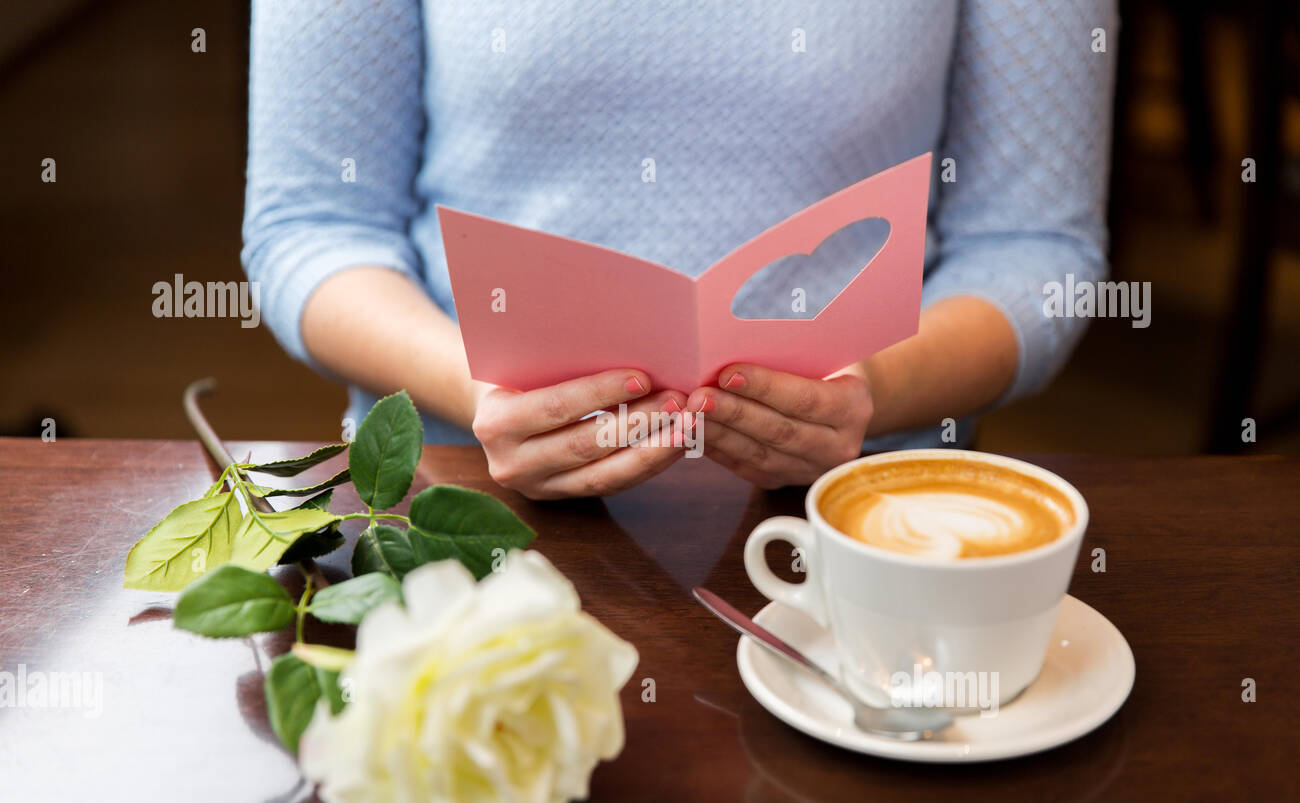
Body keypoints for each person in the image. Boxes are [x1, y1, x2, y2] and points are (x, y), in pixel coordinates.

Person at [243, 1, 1115, 499]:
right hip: (460, 496)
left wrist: (875, 391)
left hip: (860, 518)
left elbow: (1036, 248)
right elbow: (313, 224)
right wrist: (475, 387)